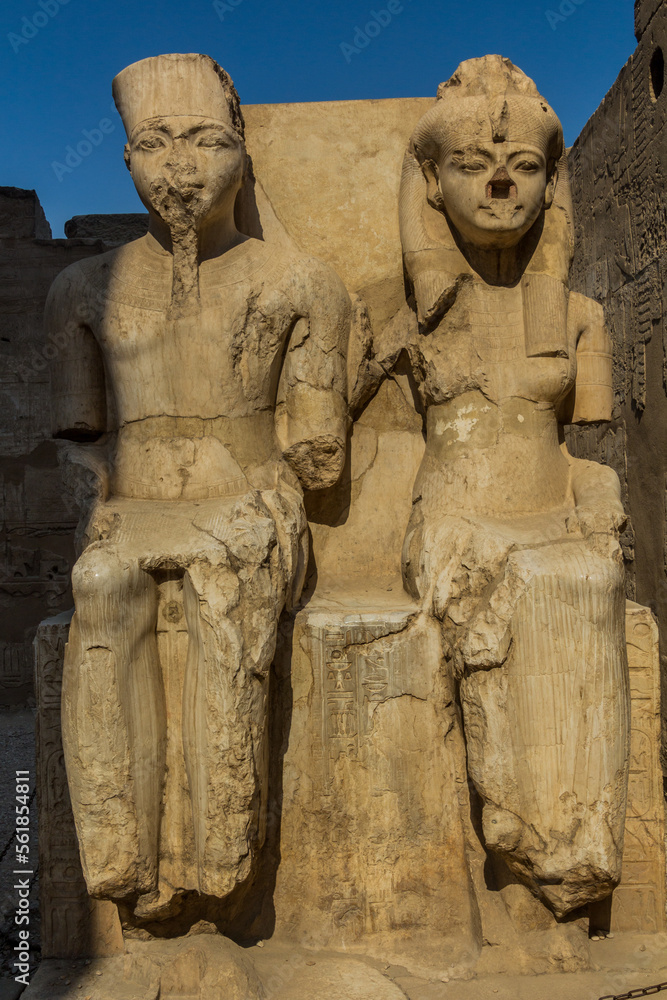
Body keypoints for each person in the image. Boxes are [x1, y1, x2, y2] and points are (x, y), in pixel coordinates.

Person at [47, 53, 349, 922]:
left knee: (225, 580)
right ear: (127, 160)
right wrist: (102, 512)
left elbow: (315, 455)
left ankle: (221, 862)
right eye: (153, 144)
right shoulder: (79, 290)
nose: (179, 168)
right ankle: (123, 865)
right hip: (131, 510)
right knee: (102, 584)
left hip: (248, 504)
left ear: (243, 151)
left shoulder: (300, 284)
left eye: (205, 141)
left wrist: (261, 496)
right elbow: (78, 444)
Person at [396, 55, 629, 917]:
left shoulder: (578, 318)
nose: (500, 183)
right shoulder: (407, 313)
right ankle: (521, 829)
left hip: (545, 514)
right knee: (530, 576)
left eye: (524, 167)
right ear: (430, 183)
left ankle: (580, 847)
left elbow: (587, 450)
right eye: (472, 165)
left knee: (585, 577)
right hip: (455, 521)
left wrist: (594, 495)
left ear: (550, 186)